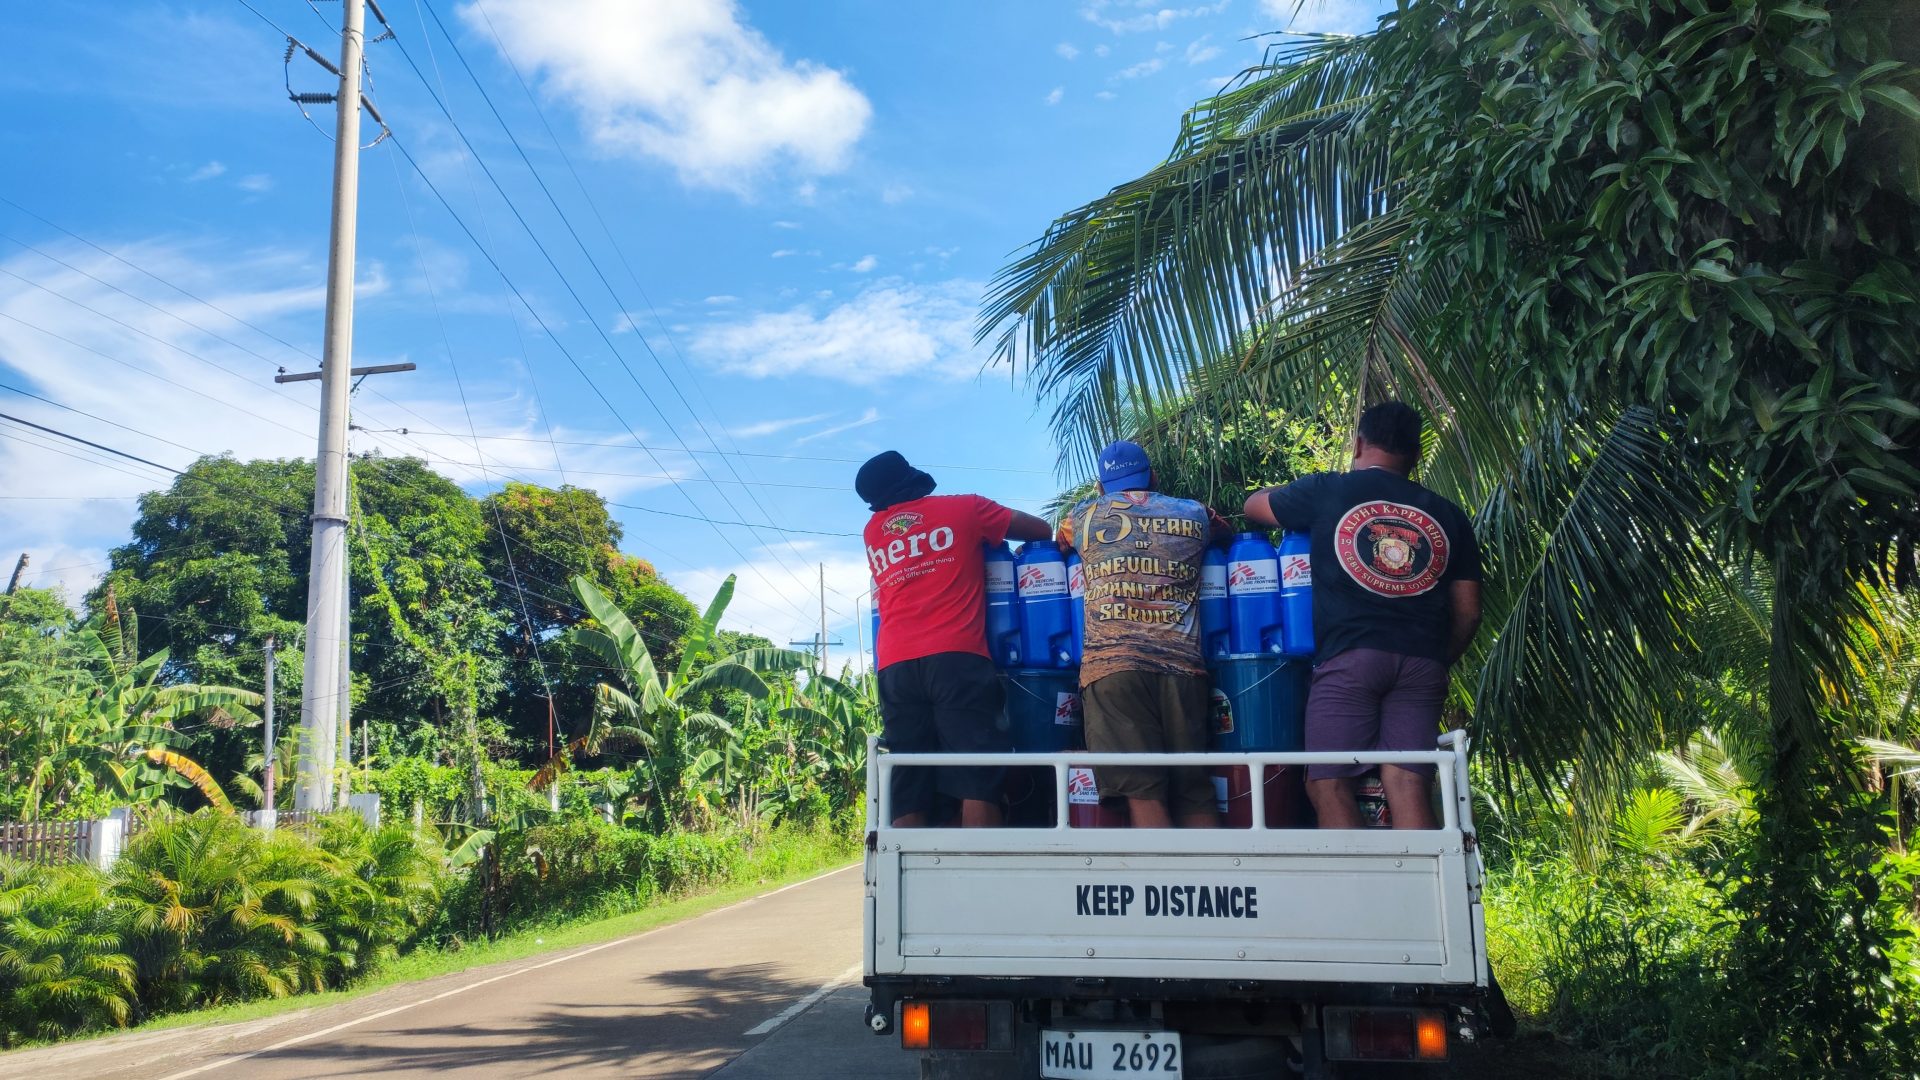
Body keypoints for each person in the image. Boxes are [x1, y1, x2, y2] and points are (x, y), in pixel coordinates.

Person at [1245, 401, 1483, 830]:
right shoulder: (1450, 516)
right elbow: (1469, 612)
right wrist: (1436, 658)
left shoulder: (1329, 490)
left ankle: (1355, 896)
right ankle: (1424, 898)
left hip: (1351, 658)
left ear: (1358, 444)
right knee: (1407, 782)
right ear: (1414, 456)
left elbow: (1254, 507)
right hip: (1422, 663)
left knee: (1328, 782)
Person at [859, 450, 1053, 828]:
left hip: (895, 665)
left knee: (908, 777)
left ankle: (907, 878)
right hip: (956, 656)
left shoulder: (873, 533)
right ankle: (983, 881)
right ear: (913, 478)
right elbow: (1040, 530)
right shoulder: (966, 509)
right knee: (977, 775)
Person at [1059, 440, 1231, 829]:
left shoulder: (1082, 516)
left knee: (1143, 793)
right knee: (1193, 789)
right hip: (1183, 668)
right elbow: (1226, 532)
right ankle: (1213, 883)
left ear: (1102, 487)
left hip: (1112, 669)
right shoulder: (1194, 512)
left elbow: (1060, 542)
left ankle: (1167, 886)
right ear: (1152, 476)